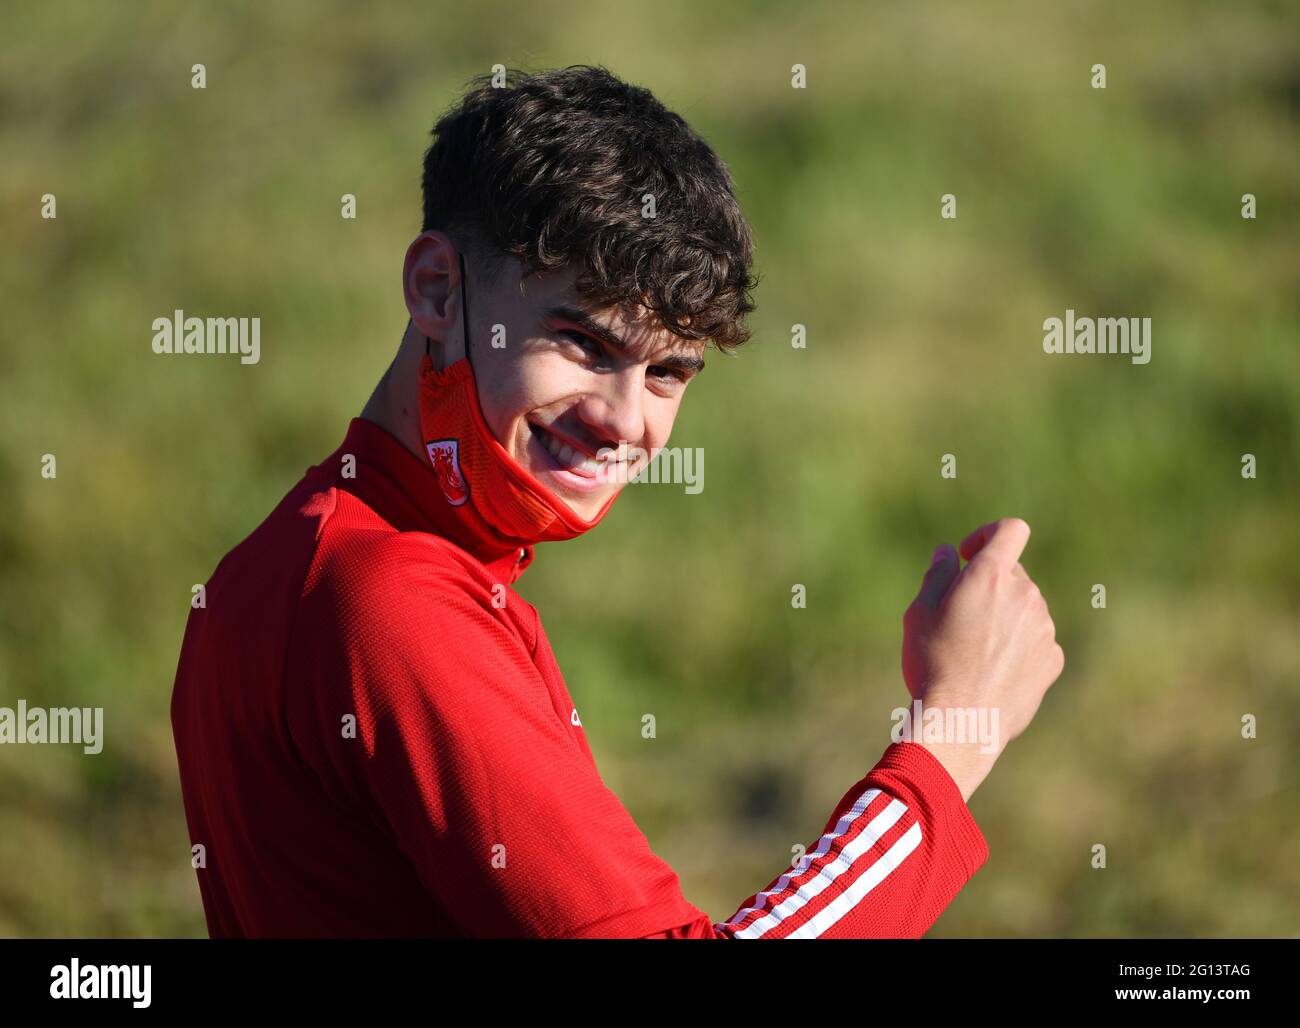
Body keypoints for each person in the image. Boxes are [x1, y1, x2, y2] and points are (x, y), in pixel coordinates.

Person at [170, 64, 1064, 939]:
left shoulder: (292, 553)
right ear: (438, 289)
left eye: (668, 373)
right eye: (583, 342)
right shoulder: (393, 607)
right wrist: (954, 731)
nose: (623, 422)